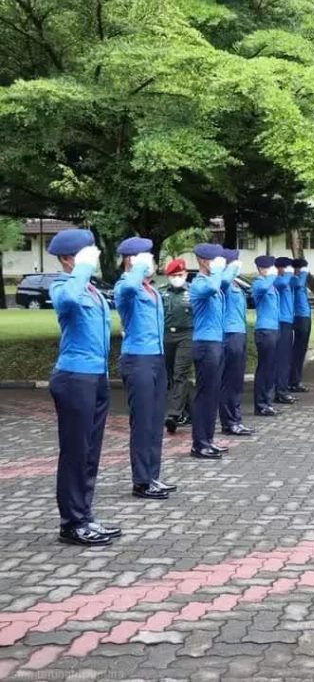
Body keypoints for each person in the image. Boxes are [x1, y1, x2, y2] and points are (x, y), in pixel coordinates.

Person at [47, 229, 120, 546]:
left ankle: (85, 514)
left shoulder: (90, 289)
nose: (94, 257)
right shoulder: (65, 285)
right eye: (85, 253)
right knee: (76, 451)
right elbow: (68, 302)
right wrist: (83, 269)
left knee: (90, 452)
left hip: (95, 376)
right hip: (74, 377)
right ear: (68, 258)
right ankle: (72, 522)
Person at [114, 237, 174, 501]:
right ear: (131, 260)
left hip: (156, 359)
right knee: (142, 422)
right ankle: (141, 481)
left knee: (155, 420)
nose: (151, 261)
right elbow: (127, 286)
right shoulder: (126, 286)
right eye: (144, 257)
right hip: (137, 359)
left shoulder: (152, 289)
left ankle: (153, 476)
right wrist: (136, 269)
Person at [189, 243, 228, 460]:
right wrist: (218, 271)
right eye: (214, 260)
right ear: (204, 261)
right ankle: (199, 443)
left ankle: (208, 439)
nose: (217, 263)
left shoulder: (212, 282)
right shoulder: (199, 284)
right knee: (204, 394)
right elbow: (213, 287)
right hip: (205, 344)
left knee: (213, 393)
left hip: (216, 342)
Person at [218, 249, 253, 437]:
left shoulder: (236, 284)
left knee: (236, 381)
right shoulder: (223, 282)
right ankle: (230, 421)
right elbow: (222, 282)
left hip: (239, 332)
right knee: (230, 381)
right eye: (235, 262)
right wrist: (229, 270)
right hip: (230, 334)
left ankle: (236, 419)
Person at [161, 258, 193, 434]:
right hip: (167, 335)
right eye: (173, 275)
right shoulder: (162, 293)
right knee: (171, 375)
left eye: (180, 275)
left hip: (187, 335)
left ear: (186, 274)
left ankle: (173, 414)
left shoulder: (193, 292)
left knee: (180, 372)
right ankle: (189, 411)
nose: (177, 278)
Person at [252, 255, 280, 417]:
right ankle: (261, 404)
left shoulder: (271, 286)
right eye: (269, 268)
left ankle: (267, 401)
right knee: (264, 368)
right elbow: (262, 289)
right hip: (264, 330)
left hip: (273, 329)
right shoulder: (259, 284)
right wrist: (271, 275)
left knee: (270, 367)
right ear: (262, 269)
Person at [273, 256, 298, 404]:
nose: (291, 271)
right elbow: (282, 283)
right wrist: (287, 273)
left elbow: (299, 282)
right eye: (287, 267)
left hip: (288, 322)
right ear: (280, 268)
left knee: (286, 358)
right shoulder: (277, 281)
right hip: (280, 323)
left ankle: (283, 388)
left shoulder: (287, 280)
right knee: (281, 359)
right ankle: (280, 392)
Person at [289, 258, 312, 393]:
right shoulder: (294, 279)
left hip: (305, 316)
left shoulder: (299, 280)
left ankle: (296, 380)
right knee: (297, 351)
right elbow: (299, 284)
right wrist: (303, 273)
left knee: (301, 350)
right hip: (299, 317)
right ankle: (293, 381)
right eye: (302, 269)